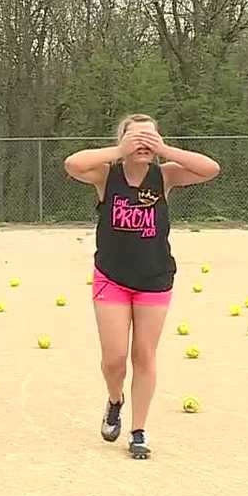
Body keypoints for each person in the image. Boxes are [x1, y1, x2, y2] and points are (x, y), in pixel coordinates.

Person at [64, 114, 221, 460]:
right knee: (115, 358)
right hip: (112, 276)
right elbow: (73, 164)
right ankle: (115, 399)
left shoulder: (163, 176)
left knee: (144, 355)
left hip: (154, 278)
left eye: (150, 138)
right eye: (137, 138)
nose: (143, 145)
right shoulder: (107, 176)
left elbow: (210, 169)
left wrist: (164, 148)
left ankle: (138, 430)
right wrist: (118, 150)